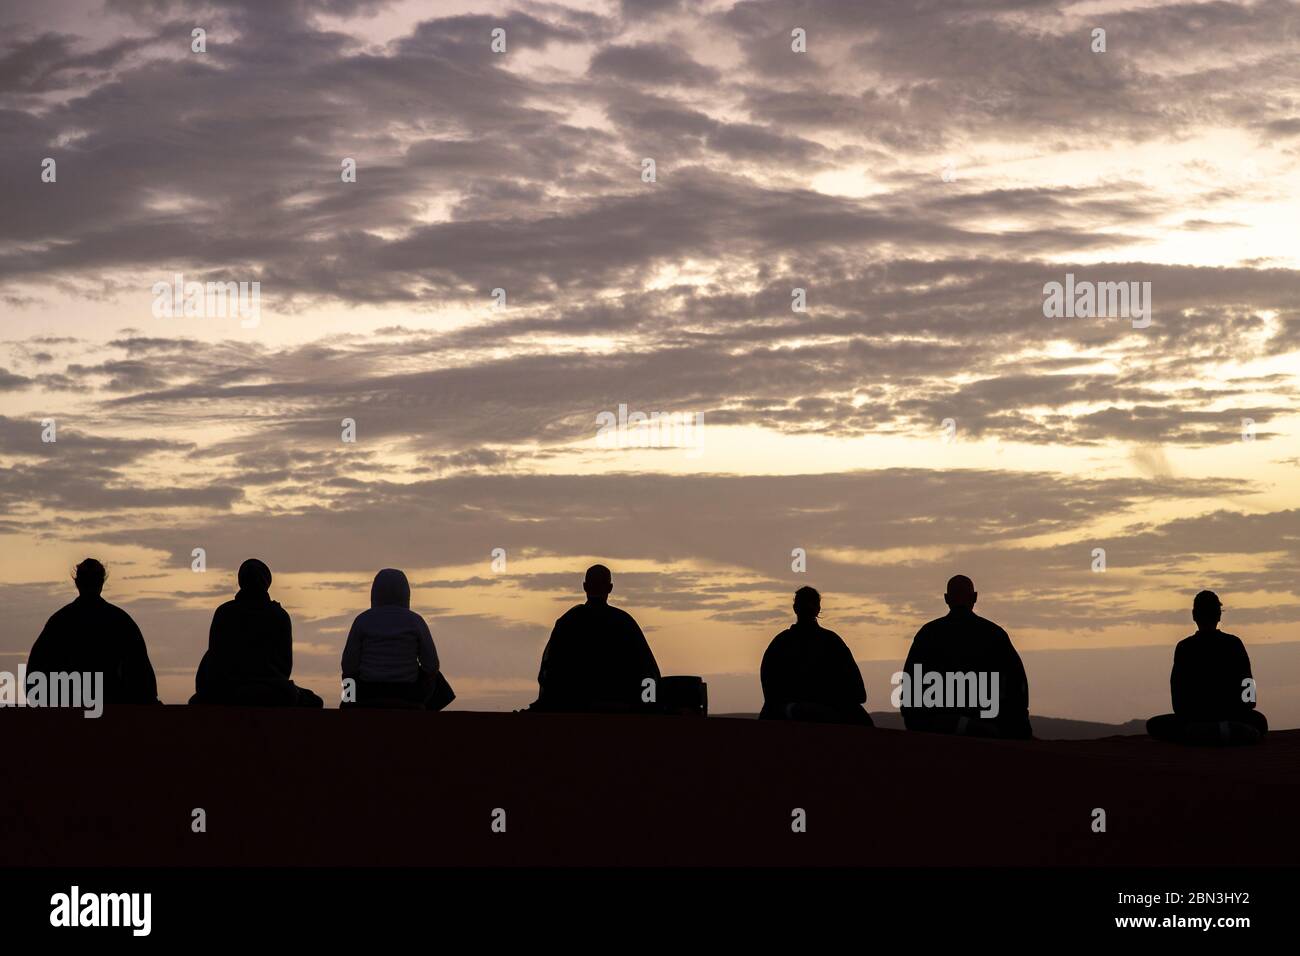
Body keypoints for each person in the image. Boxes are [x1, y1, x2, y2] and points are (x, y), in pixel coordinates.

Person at [900, 575, 1031, 739]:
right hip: (989, 732)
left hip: (936, 732)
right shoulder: (994, 635)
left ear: (946, 599)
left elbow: (910, 692)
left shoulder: (928, 635)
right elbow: (1017, 689)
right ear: (975, 597)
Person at [190, 558, 322, 707]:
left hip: (228, 691)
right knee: (312, 700)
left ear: (241, 581)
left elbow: (214, 661)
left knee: (199, 699)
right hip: (268, 690)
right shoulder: (279, 615)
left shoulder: (224, 612)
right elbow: (285, 668)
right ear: (267, 583)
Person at [27, 558, 160, 705]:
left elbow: (35, 678)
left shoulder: (59, 622)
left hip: (68, 715)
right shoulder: (120, 622)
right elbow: (143, 679)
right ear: (102, 583)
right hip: (112, 715)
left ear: (77, 583)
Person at [530, 564, 660, 713]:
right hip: (620, 713)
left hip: (573, 711)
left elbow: (551, 672)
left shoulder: (568, 622)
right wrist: (650, 707)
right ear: (610, 588)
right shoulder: (624, 622)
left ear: (584, 586)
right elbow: (647, 670)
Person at [1147, 591, 1267, 745]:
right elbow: (1249, 690)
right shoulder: (1234, 643)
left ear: (1194, 615)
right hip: (1230, 717)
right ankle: (1225, 731)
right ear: (1219, 616)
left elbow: (1177, 696)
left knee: (1155, 725)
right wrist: (1242, 710)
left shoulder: (1185, 647)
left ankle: (1202, 734)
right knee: (1259, 722)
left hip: (1197, 720)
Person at [341, 569, 451, 709]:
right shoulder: (415, 621)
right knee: (436, 677)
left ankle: (348, 708)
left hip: (368, 693)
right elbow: (432, 665)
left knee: (348, 678)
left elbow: (348, 665)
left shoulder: (362, 620)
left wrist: (349, 697)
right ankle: (423, 708)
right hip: (408, 693)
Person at [759, 587, 872, 725]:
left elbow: (857, 692)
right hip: (792, 715)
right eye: (805, 604)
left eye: (810, 603)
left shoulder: (781, 644)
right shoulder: (831, 642)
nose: (808, 607)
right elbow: (771, 694)